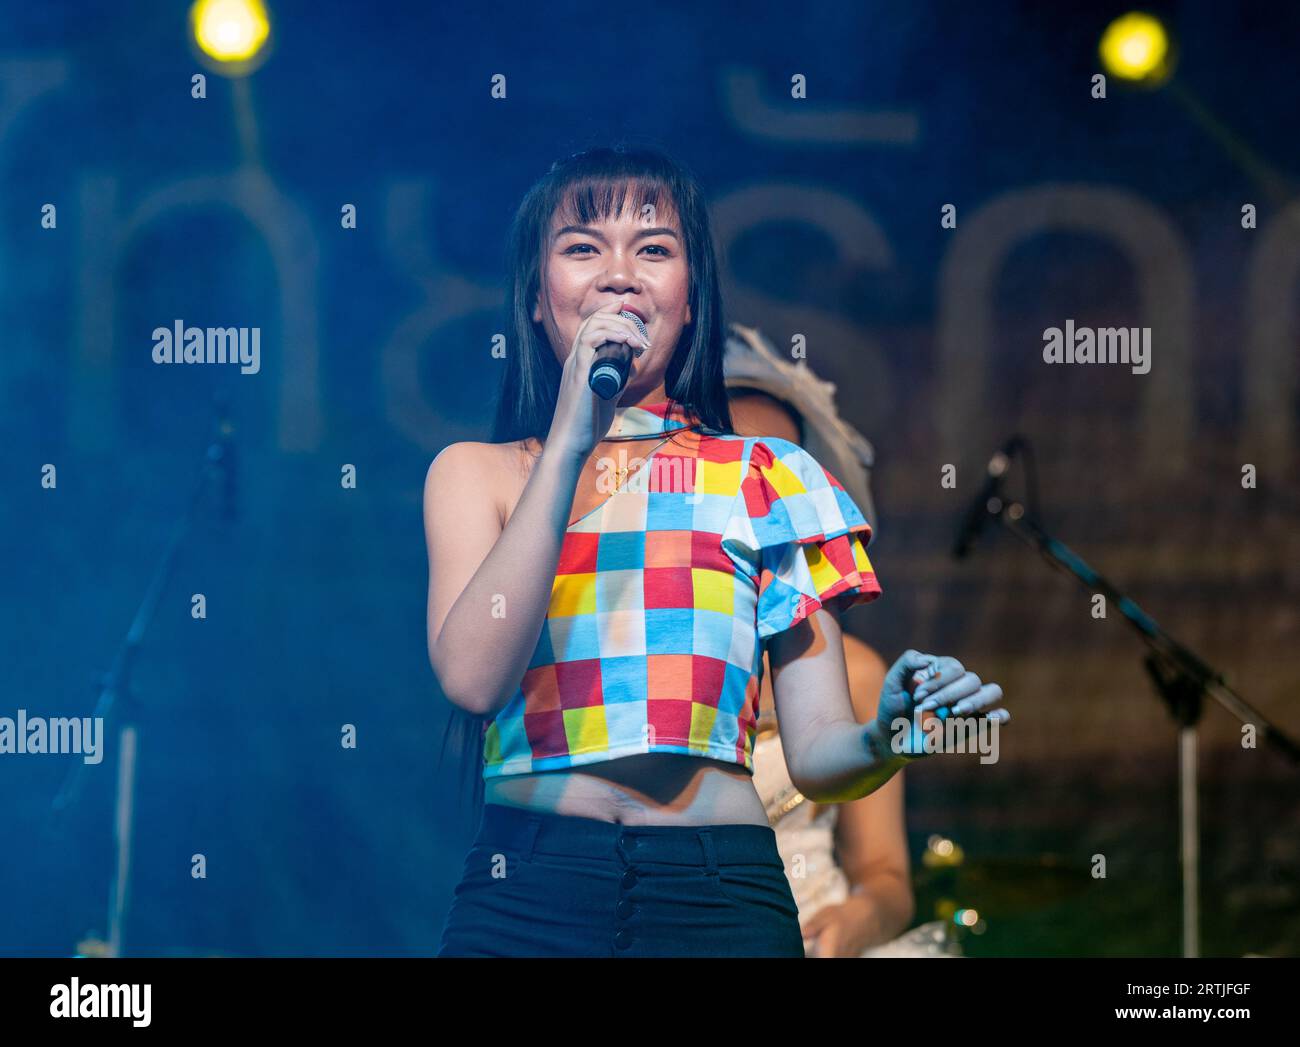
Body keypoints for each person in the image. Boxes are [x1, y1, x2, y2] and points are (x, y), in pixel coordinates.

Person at [425, 145, 1009, 958]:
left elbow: (817, 753)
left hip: (717, 894)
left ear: (691, 298)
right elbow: (472, 676)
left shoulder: (769, 477)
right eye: (584, 246)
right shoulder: (476, 475)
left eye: (655, 248)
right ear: (535, 296)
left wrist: (882, 737)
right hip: (528, 887)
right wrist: (569, 440)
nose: (620, 274)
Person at [724, 325, 915, 957]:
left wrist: (856, 922)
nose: (760, 494)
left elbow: (887, 878)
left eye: (779, 472)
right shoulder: (638, 646)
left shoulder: (857, 672)